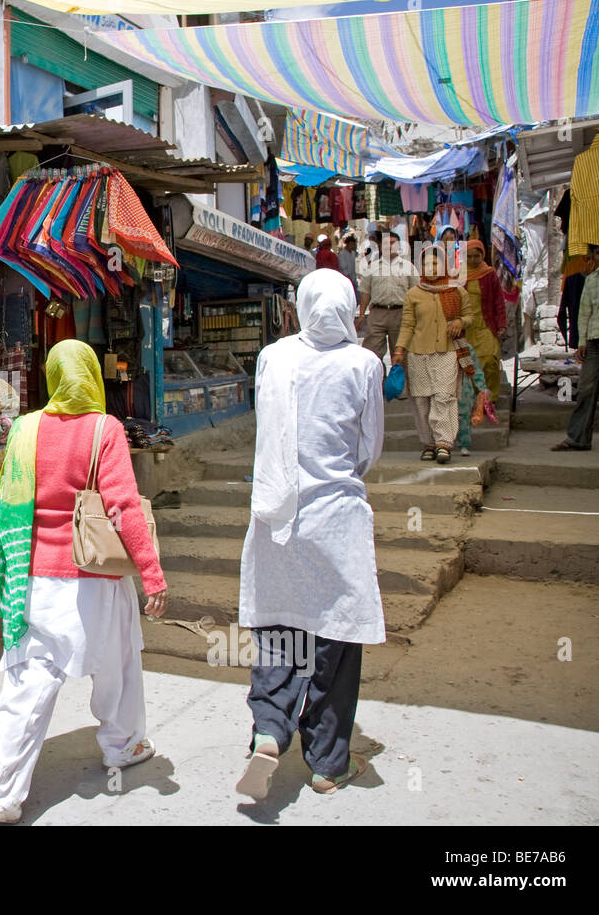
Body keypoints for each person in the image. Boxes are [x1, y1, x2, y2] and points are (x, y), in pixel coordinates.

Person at [0, 339, 167, 824]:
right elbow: (123, 505)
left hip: (33, 579)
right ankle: (121, 747)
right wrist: (151, 573)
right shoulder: (106, 429)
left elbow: (5, 503)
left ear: (51, 377)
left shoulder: (23, 428)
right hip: (95, 578)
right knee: (117, 665)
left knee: (26, 687)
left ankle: (1, 795)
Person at [235, 268, 383, 801]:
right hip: (335, 521)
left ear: (299, 306)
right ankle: (327, 763)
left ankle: (269, 731)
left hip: (276, 517)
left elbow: (265, 424)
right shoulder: (365, 364)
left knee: (279, 631)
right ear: (348, 307)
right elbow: (368, 450)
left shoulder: (272, 357)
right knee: (335, 640)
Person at [394, 245, 476, 464]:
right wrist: (400, 349)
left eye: (436, 263)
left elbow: (469, 316)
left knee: (444, 397)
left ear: (445, 265)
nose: (431, 267)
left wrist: (460, 321)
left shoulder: (457, 291)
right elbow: (408, 324)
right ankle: (428, 443)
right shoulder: (413, 294)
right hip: (418, 353)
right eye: (427, 263)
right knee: (421, 401)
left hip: (447, 352)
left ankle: (443, 443)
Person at [552, 240, 599, 453]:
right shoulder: (592, 279)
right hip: (595, 340)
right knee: (587, 388)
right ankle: (578, 438)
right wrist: (582, 341)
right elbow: (584, 312)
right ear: (593, 257)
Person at [356, 231, 420, 362]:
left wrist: (416, 316)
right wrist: (362, 314)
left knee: (401, 354)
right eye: (386, 243)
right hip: (377, 314)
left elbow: (416, 293)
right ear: (380, 246)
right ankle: (379, 381)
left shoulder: (409, 267)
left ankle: (399, 382)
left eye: (393, 243)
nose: (389, 246)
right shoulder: (372, 267)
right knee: (372, 353)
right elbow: (365, 292)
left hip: (401, 314)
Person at [462, 239, 506, 404]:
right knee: (470, 365)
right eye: (470, 256)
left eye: (476, 256)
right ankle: (476, 396)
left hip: (485, 326)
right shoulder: (458, 275)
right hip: (467, 328)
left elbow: (498, 301)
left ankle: (491, 397)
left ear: (482, 255)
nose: (473, 260)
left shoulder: (489, 274)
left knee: (489, 360)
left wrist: (501, 324)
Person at [337, 233, 359, 299]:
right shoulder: (342, 254)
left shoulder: (353, 253)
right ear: (347, 244)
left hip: (353, 279)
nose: (353, 246)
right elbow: (343, 267)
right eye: (351, 244)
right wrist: (348, 278)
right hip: (346, 279)